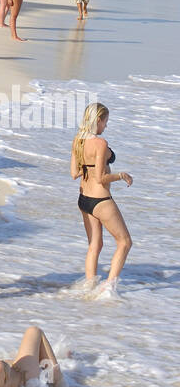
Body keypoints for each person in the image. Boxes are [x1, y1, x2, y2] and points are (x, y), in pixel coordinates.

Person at [70, 102, 133, 295]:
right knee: (124, 242)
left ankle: (90, 284)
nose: (106, 126)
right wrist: (121, 175)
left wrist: (88, 166)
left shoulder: (78, 140)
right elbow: (101, 178)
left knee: (95, 245)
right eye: (105, 122)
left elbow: (73, 173)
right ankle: (109, 287)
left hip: (84, 199)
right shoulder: (100, 143)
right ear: (98, 120)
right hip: (100, 200)